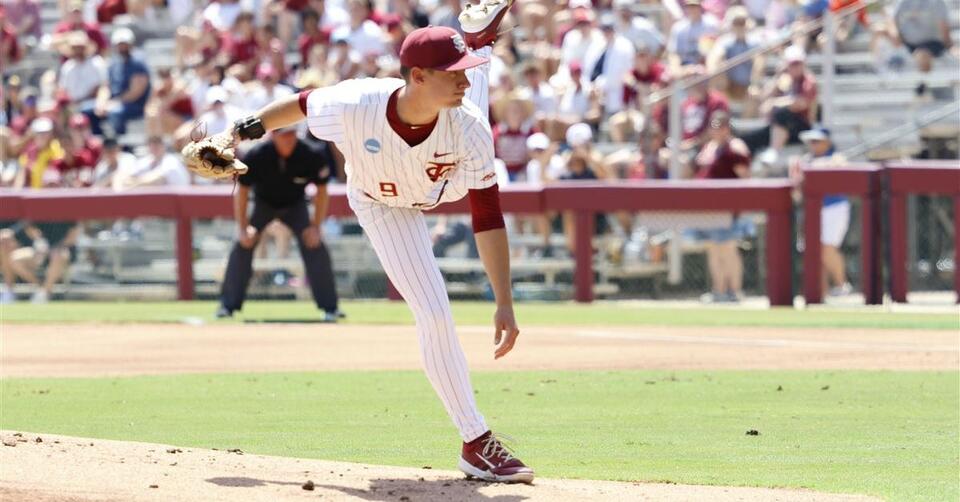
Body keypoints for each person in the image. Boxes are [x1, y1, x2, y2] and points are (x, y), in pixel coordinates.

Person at [204, 1, 533, 483]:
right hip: (383, 202)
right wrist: (236, 132)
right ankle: (476, 441)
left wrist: (504, 300)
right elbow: (301, 103)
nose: (464, 78)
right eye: (454, 70)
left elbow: (487, 214)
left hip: (450, 180)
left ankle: (472, 38)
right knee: (435, 313)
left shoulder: (468, 126)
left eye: (467, 69)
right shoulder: (356, 104)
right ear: (416, 76)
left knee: (468, 114)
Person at [216, 128, 342, 321]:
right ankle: (227, 306)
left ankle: (330, 308)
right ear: (273, 135)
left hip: (295, 205)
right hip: (263, 204)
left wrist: (316, 227)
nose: (288, 138)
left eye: (291, 133)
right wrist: (243, 228)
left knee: (315, 243)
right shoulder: (257, 155)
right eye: (283, 134)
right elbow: (242, 191)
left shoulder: (310, 153)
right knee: (242, 244)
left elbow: (322, 191)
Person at [693, 113, 752, 302]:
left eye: (720, 126)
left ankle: (734, 291)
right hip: (708, 208)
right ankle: (718, 290)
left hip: (729, 207)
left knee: (728, 248)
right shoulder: (710, 147)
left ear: (728, 127)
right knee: (714, 248)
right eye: (714, 126)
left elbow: (744, 177)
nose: (716, 130)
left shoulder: (735, 147)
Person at [789, 125, 853, 296]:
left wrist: (816, 165)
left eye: (817, 141)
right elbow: (795, 190)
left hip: (834, 208)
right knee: (812, 250)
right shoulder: (804, 160)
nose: (813, 145)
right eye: (811, 141)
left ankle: (841, 285)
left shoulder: (836, 157)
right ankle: (820, 291)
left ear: (827, 142)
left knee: (827, 247)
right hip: (811, 210)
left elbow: (840, 165)